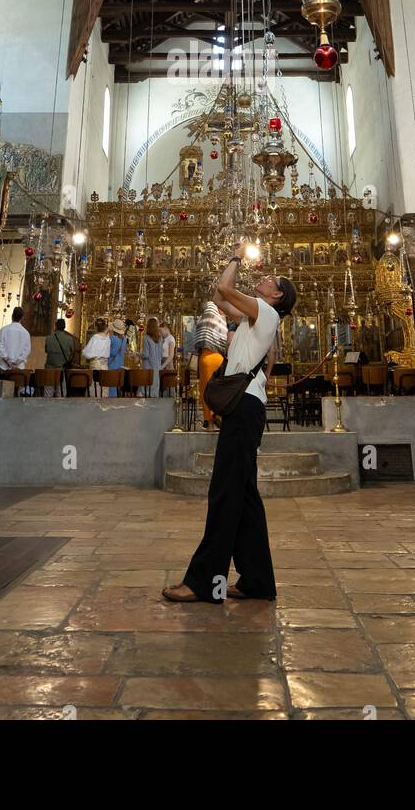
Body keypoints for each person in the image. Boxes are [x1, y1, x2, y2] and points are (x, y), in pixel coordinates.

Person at [162, 243, 296, 604]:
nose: (264, 278)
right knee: (245, 497)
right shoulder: (254, 318)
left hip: (245, 409)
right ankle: (257, 581)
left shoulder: (267, 313)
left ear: (277, 295)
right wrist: (229, 269)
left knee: (224, 494)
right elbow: (218, 297)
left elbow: (224, 288)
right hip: (245, 408)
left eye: (271, 279)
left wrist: (237, 256)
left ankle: (204, 582)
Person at [195, 300, 228, 430]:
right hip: (220, 358)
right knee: (220, 391)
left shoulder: (207, 318)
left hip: (206, 358)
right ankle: (219, 417)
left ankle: (209, 423)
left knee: (206, 392)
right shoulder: (223, 321)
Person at [0, 305, 31, 374]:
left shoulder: (3, 330)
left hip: (3, 367)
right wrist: (16, 363)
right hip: (19, 369)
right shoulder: (26, 333)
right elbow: (26, 351)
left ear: (12, 316)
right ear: (22, 318)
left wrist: (8, 362)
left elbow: (0, 347)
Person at [83, 317, 110, 395]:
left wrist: (86, 354)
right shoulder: (108, 339)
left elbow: (86, 353)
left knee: (95, 388)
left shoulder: (95, 338)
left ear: (96, 327)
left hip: (96, 366)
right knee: (103, 388)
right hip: (105, 366)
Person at [141, 316, 164, 397]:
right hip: (157, 368)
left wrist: (137, 354)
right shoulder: (160, 338)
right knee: (154, 392)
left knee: (146, 393)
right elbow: (161, 355)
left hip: (148, 368)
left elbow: (146, 355)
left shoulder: (146, 338)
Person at [107, 317, 127, 397]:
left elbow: (111, 353)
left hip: (111, 366)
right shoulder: (124, 339)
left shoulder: (112, 338)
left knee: (110, 388)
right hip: (120, 366)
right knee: (115, 388)